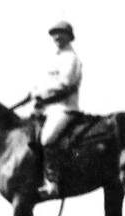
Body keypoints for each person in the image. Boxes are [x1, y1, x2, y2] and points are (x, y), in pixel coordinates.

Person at [33, 21, 83, 200]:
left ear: (69, 36)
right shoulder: (54, 59)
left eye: (61, 33)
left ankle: (52, 182)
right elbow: (44, 84)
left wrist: (43, 97)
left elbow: (64, 87)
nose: (57, 37)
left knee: (47, 139)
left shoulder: (71, 59)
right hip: (48, 109)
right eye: (54, 34)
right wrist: (34, 93)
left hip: (65, 109)